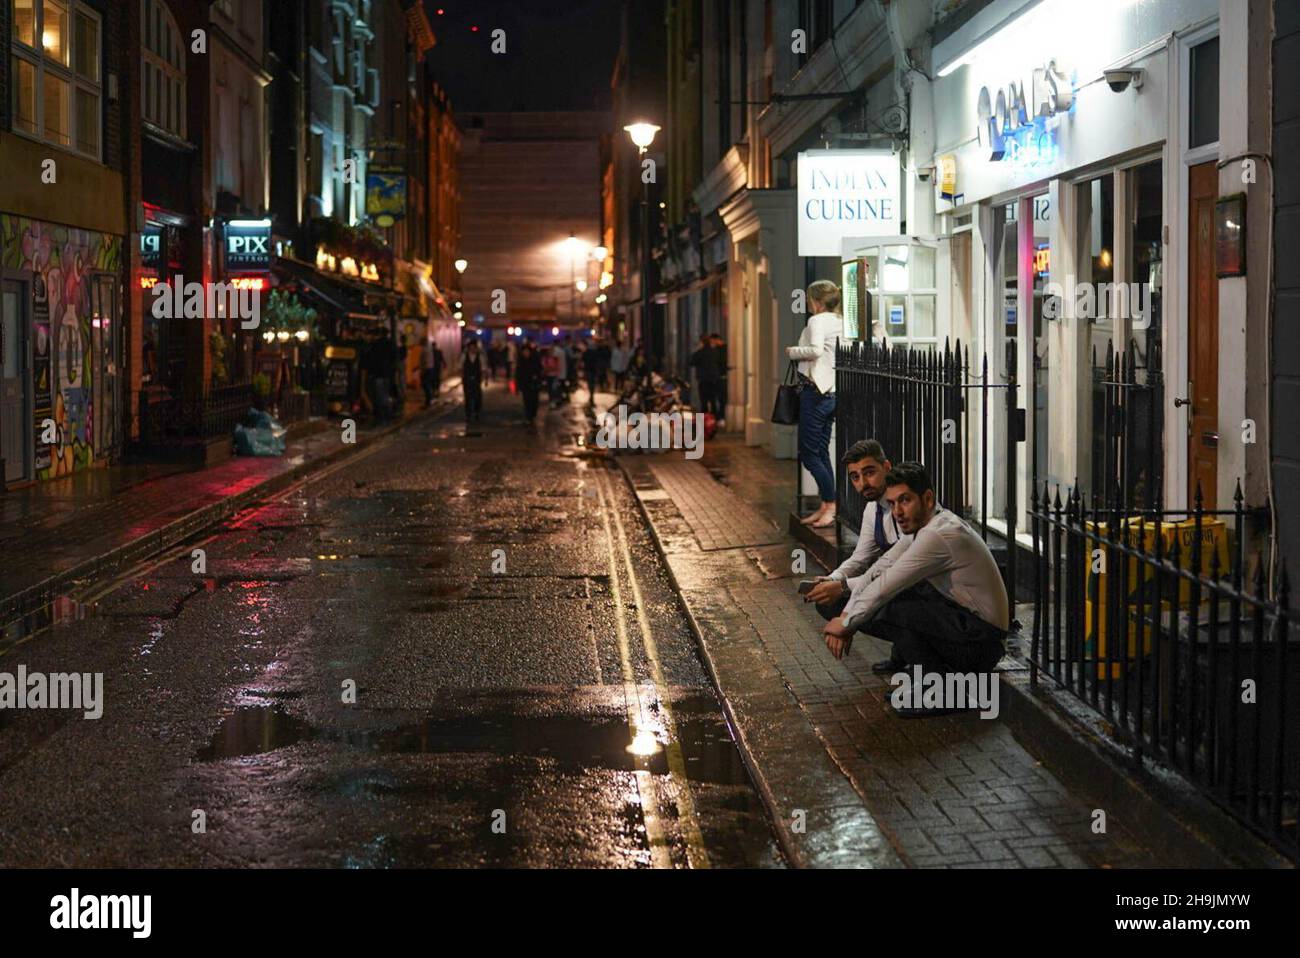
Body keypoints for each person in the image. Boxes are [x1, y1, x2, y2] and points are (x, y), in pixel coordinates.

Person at [821, 462, 1009, 717]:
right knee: (886, 604)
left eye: (905, 500)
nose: (897, 511)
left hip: (980, 643)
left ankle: (946, 692)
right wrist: (843, 598)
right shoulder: (923, 527)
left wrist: (846, 622)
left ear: (928, 498)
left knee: (895, 608)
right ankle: (931, 680)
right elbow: (878, 571)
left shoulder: (939, 535)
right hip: (965, 628)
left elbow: (886, 586)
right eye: (892, 503)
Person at [803, 440, 902, 674]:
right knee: (829, 602)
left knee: (897, 603)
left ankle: (918, 661)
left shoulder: (904, 507)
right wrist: (832, 579)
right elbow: (860, 559)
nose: (863, 483)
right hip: (896, 582)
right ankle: (904, 653)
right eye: (855, 477)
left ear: (887, 467)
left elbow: (896, 571)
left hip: (925, 592)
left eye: (869, 473)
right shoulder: (873, 509)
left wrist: (845, 606)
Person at [787, 280, 844, 528]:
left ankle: (831, 503)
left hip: (816, 392)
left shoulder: (817, 320)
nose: (809, 303)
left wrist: (792, 351)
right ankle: (827, 505)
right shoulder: (840, 320)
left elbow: (816, 350)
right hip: (833, 392)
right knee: (821, 451)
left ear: (816, 301)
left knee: (809, 454)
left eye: (810, 299)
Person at [364, 328, 398, 423]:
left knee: (379, 396)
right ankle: (387, 415)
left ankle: (383, 416)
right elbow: (394, 358)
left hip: (377, 373)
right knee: (385, 394)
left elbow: (370, 359)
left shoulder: (375, 345)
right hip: (387, 373)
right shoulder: (391, 344)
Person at [689, 333, 723, 419]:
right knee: (713, 400)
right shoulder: (715, 352)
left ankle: (704, 419)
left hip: (703, 379)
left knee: (704, 400)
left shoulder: (700, 353)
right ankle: (714, 418)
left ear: (701, 342)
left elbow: (691, 362)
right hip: (714, 379)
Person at [516, 338, 543, 424]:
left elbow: (540, 370)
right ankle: (529, 416)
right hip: (525, 384)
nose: (526, 353)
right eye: (524, 352)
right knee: (527, 400)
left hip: (534, 383)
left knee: (534, 400)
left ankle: (533, 413)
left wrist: (537, 378)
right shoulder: (521, 361)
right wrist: (518, 385)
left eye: (527, 351)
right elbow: (518, 373)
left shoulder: (535, 359)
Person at [461, 337, 484, 423]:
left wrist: (484, 379)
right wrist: (462, 377)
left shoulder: (480, 356)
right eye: (471, 347)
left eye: (474, 347)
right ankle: (468, 414)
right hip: (467, 379)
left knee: (477, 397)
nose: (472, 349)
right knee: (467, 397)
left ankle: (477, 412)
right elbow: (460, 367)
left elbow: (483, 368)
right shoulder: (464, 356)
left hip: (477, 379)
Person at [710, 332, 729, 427]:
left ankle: (721, 417)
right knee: (720, 399)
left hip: (722, 377)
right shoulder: (720, 349)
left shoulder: (721, 350)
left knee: (722, 399)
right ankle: (719, 417)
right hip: (719, 378)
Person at [421, 338, 445, 407]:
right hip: (433, 368)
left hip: (431, 368)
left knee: (431, 382)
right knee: (434, 380)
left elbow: (426, 361)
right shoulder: (431, 351)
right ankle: (434, 393)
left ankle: (431, 396)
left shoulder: (428, 351)